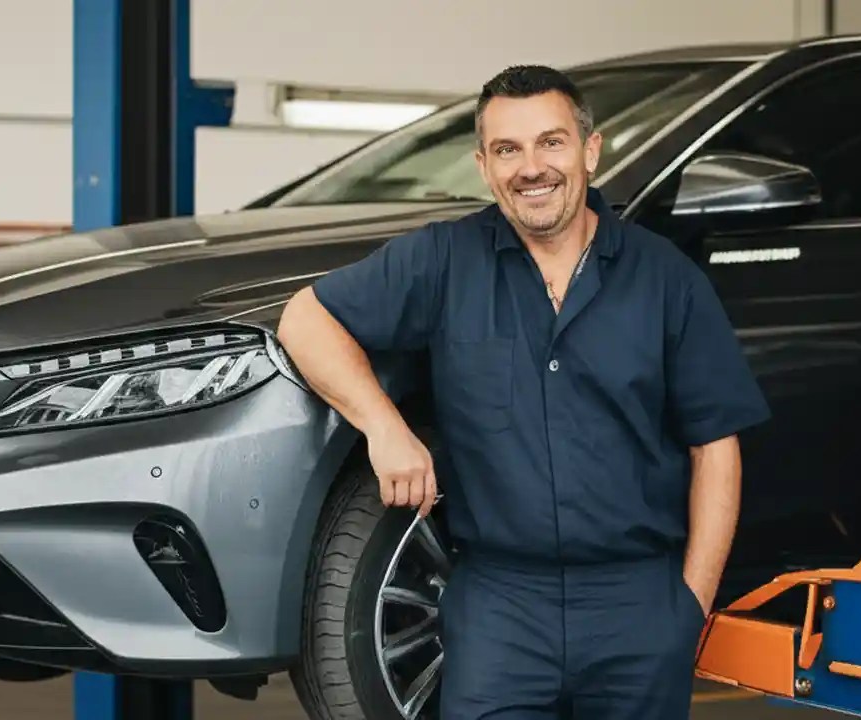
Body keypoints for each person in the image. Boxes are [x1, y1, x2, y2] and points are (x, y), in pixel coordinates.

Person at [276, 65, 771, 719]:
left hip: (637, 602)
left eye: (551, 142)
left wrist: (689, 606)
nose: (531, 168)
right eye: (508, 149)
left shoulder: (666, 281)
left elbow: (716, 448)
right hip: (499, 606)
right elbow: (305, 319)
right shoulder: (444, 261)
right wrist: (383, 427)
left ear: (590, 151)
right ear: (484, 166)